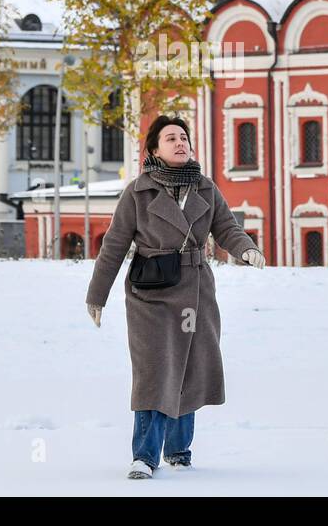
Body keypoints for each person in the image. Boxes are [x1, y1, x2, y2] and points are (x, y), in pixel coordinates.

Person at [85, 115, 264, 479]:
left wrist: (245, 249)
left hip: (196, 290)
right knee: (154, 372)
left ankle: (179, 452)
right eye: (171, 138)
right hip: (149, 294)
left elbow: (227, 227)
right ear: (154, 149)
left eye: (184, 137)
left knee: (190, 369)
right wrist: (96, 295)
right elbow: (115, 245)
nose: (180, 143)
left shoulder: (205, 188)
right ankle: (144, 456)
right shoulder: (138, 191)